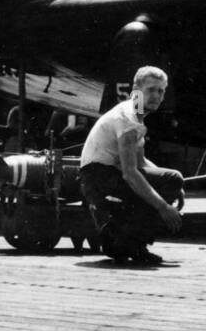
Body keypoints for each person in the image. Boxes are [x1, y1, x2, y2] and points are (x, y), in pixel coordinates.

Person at [78, 66, 184, 266]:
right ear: (136, 89)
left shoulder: (135, 116)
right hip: (98, 176)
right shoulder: (128, 118)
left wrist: (174, 188)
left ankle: (122, 238)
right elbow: (130, 173)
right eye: (151, 89)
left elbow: (142, 163)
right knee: (173, 179)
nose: (157, 96)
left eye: (161, 91)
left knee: (172, 181)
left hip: (100, 176)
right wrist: (163, 206)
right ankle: (127, 241)